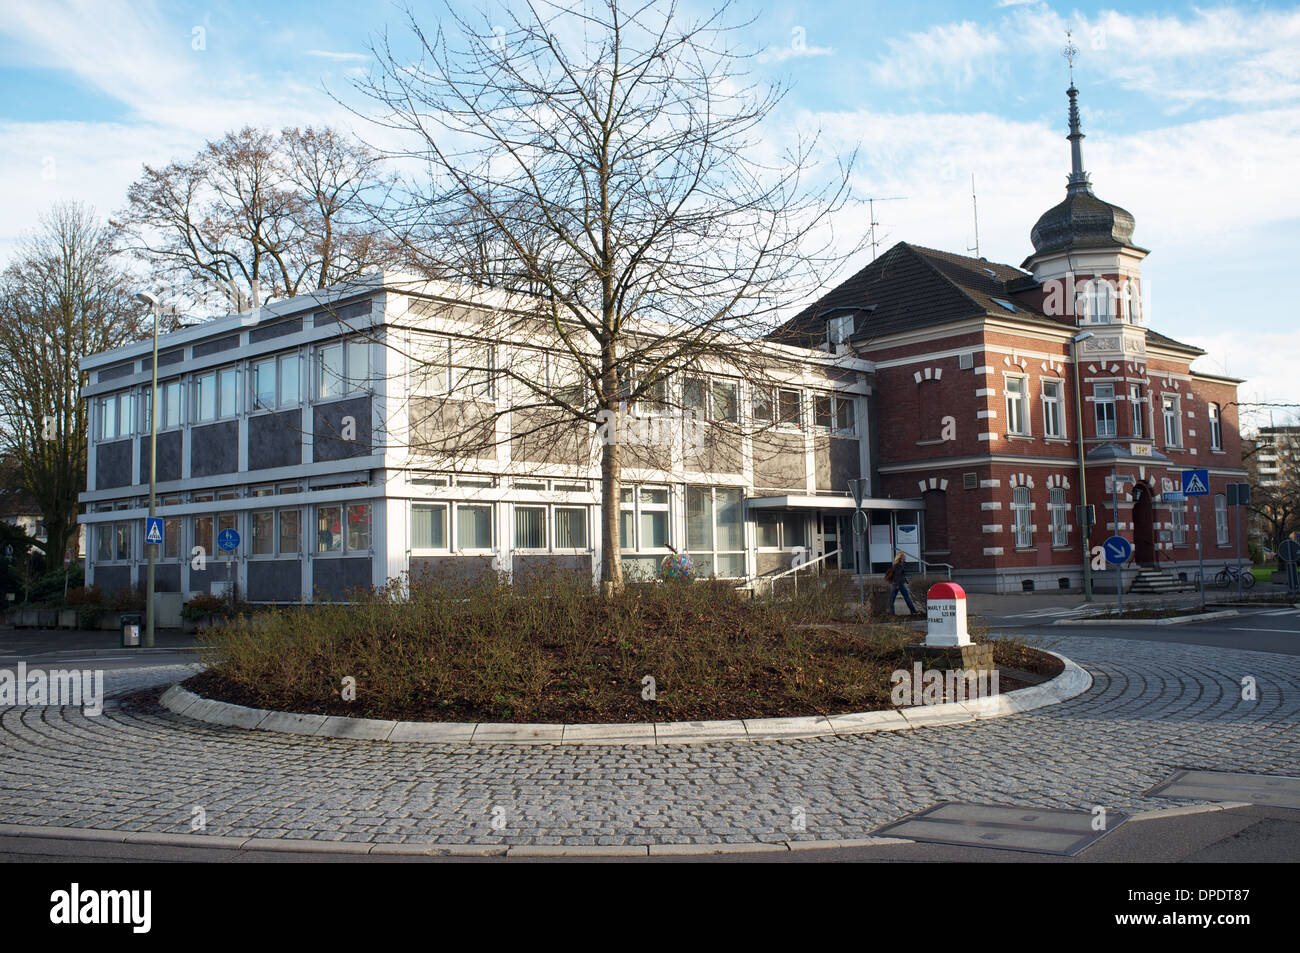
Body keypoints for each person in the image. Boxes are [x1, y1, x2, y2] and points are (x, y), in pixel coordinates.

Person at [887, 551, 920, 617]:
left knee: (895, 598)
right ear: (901, 557)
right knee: (895, 598)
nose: (905, 557)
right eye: (904, 556)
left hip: (898, 583)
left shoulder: (899, 564)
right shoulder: (899, 565)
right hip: (898, 584)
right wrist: (897, 585)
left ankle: (893, 613)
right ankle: (913, 611)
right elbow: (897, 575)